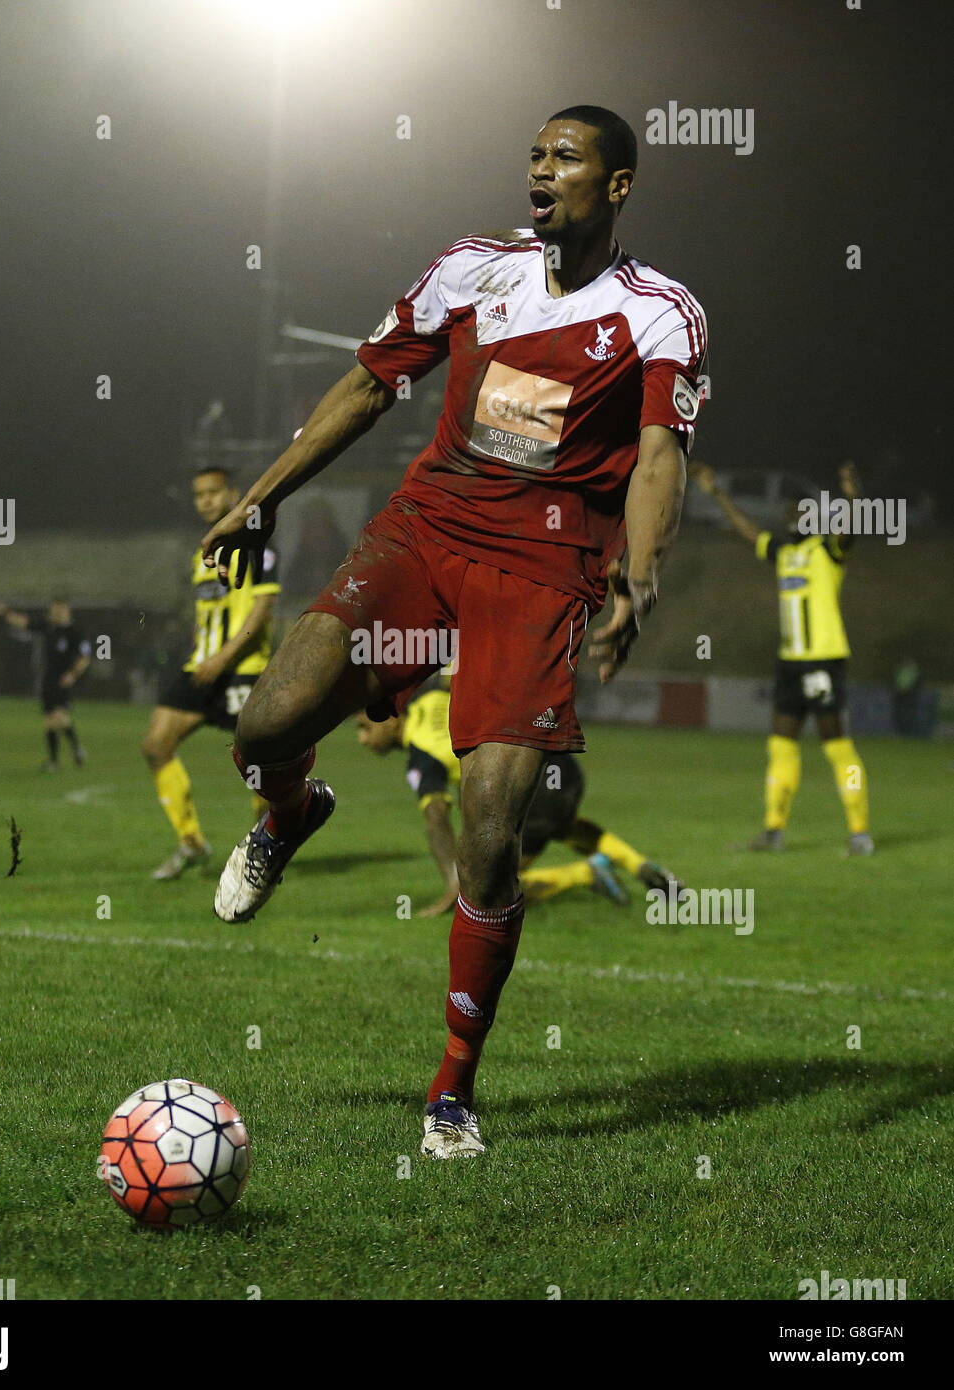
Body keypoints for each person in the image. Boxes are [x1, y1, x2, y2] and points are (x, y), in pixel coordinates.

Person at [201, 105, 707, 1158]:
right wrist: (261, 499)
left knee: (488, 828)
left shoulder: (660, 313)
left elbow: (659, 458)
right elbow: (364, 385)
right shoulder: (470, 269)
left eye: (564, 158)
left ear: (615, 186)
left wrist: (637, 582)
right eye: (531, 153)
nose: (538, 170)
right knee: (263, 724)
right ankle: (287, 815)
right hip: (423, 537)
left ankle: (450, 1094)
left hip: (539, 573)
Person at [356, 688, 681, 912]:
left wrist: (454, 883)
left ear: (393, 717)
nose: (362, 740)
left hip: (534, 786)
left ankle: (586, 875)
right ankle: (640, 866)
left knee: (488, 891)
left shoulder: (422, 757)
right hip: (560, 764)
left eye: (365, 727)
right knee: (561, 826)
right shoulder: (435, 699)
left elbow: (436, 816)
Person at [689, 460, 872, 854]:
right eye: (788, 511)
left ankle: (859, 832)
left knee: (837, 746)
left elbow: (850, 534)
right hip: (790, 663)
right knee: (781, 746)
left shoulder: (827, 550)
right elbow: (748, 532)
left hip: (823, 660)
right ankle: (773, 830)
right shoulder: (784, 554)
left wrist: (854, 497)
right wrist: (717, 492)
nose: (791, 516)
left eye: (799, 510)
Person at [141, 466, 280, 880]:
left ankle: (265, 850)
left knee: (260, 768)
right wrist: (203, 654)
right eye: (198, 494)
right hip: (201, 670)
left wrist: (223, 658)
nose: (205, 501)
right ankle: (191, 842)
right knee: (155, 745)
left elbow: (263, 610)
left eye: (213, 493)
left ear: (233, 493)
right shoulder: (201, 555)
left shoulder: (257, 545)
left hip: (242, 671)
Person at [0, 600, 91, 769]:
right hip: (49, 679)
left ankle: (68, 753)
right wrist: (7, 613)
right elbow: (25, 623)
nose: (55, 613)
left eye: (59, 610)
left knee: (59, 718)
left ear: (67, 611)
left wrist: (72, 674)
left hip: (64, 679)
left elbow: (84, 658)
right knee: (50, 721)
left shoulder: (75, 632)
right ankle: (60, 758)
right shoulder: (49, 628)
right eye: (54, 610)